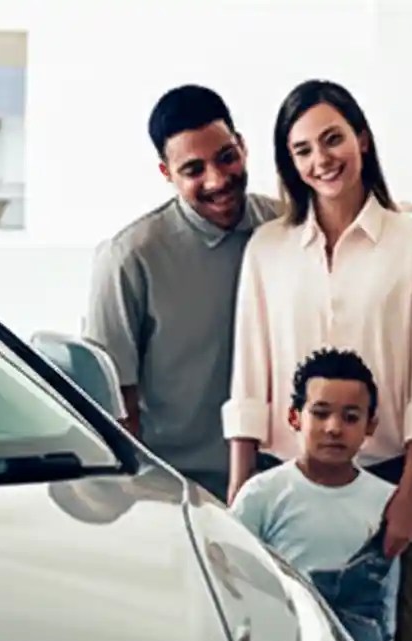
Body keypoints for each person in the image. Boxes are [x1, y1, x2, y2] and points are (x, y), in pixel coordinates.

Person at [221, 79, 412, 641]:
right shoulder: (268, 249)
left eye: (332, 139)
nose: (321, 159)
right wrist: (242, 496)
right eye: (302, 150)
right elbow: (249, 375)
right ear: (289, 164)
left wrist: (411, 493)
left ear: (362, 139)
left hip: (384, 489)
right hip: (283, 489)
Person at [85, 84, 281, 502]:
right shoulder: (129, 259)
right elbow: (117, 404)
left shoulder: (287, 228)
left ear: (243, 147)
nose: (217, 179)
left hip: (284, 485)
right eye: (194, 169)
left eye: (226, 157)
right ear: (166, 174)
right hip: (182, 495)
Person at [229, 347, 399, 641]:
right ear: (295, 418)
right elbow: (234, 585)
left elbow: (394, 606)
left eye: (350, 417)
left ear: (371, 425)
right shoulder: (261, 494)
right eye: (320, 414)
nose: (334, 428)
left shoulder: (390, 503)